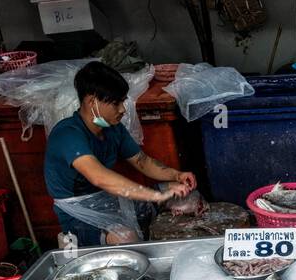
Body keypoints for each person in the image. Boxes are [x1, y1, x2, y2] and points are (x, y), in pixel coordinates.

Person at [44, 61, 195, 247]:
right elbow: (99, 177)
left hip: (108, 200)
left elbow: (142, 161)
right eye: (116, 103)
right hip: (78, 214)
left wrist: (176, 175)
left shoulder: (113, 129)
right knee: (125, 237)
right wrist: (155, 196)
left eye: (123, 101)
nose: (123, 109)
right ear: (92, 102)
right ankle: (75, 240)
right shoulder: (67, 134)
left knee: (186, 196)